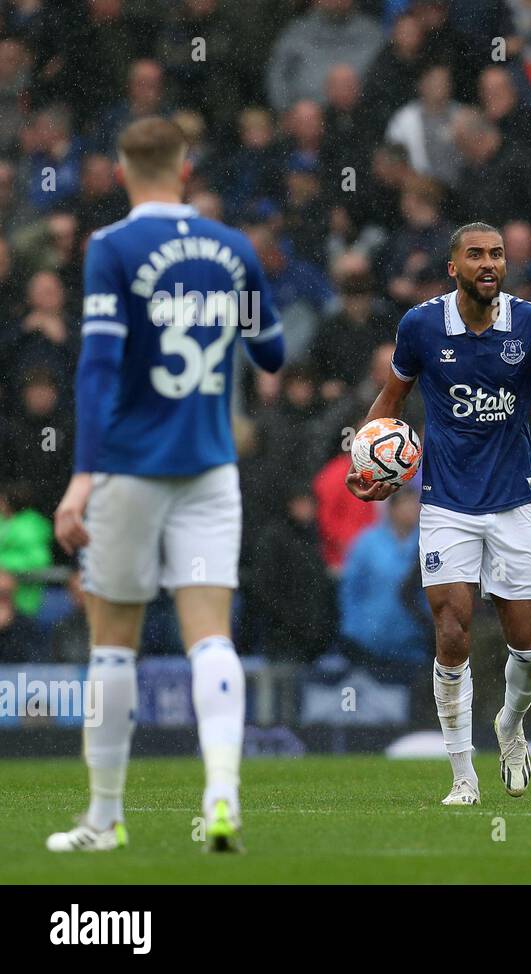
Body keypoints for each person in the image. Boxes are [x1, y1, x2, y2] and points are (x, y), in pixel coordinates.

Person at [48, 116, 285, 853]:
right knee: (210, 636)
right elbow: (271, 353)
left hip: (130, 468)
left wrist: (80, 476)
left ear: (122, 173)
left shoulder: (111, 248)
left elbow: (96, 368)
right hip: (211, 466)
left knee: (114, 645)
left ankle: (105, 818)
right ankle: (221, 796)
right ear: (185, 170)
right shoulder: (232, 247)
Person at [346, 222, 531, 806]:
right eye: (476, 255)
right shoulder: (420, 326)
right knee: (452, 632)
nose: (489, 263)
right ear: (453, 267)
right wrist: (365, 463)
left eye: (496, 255)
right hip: (446, 505)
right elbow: (390, 402)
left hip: (514, 505)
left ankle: (510, 724)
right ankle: (463, 776)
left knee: (530, 646)